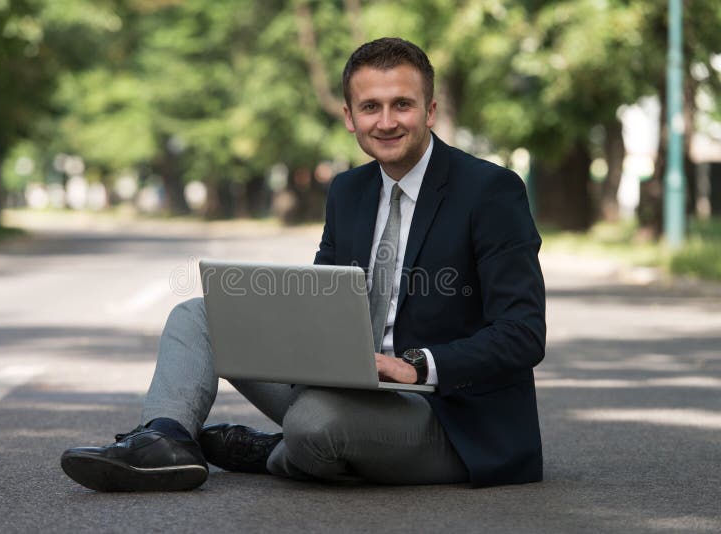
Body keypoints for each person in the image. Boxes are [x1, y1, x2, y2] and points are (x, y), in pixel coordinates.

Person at [61, 37, 546, 491]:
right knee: (200, 314)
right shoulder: (348, 191)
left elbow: (523, 332)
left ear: (430, 110)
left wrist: (416, 366)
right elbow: (319, 299)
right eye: (370, 107)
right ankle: (164, 441)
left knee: (315, 424)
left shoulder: (490, 192)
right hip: (347, 384)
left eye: (403, 104)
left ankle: (276, 452)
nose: (387, 121)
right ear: (349, 117)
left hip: (447, 415)